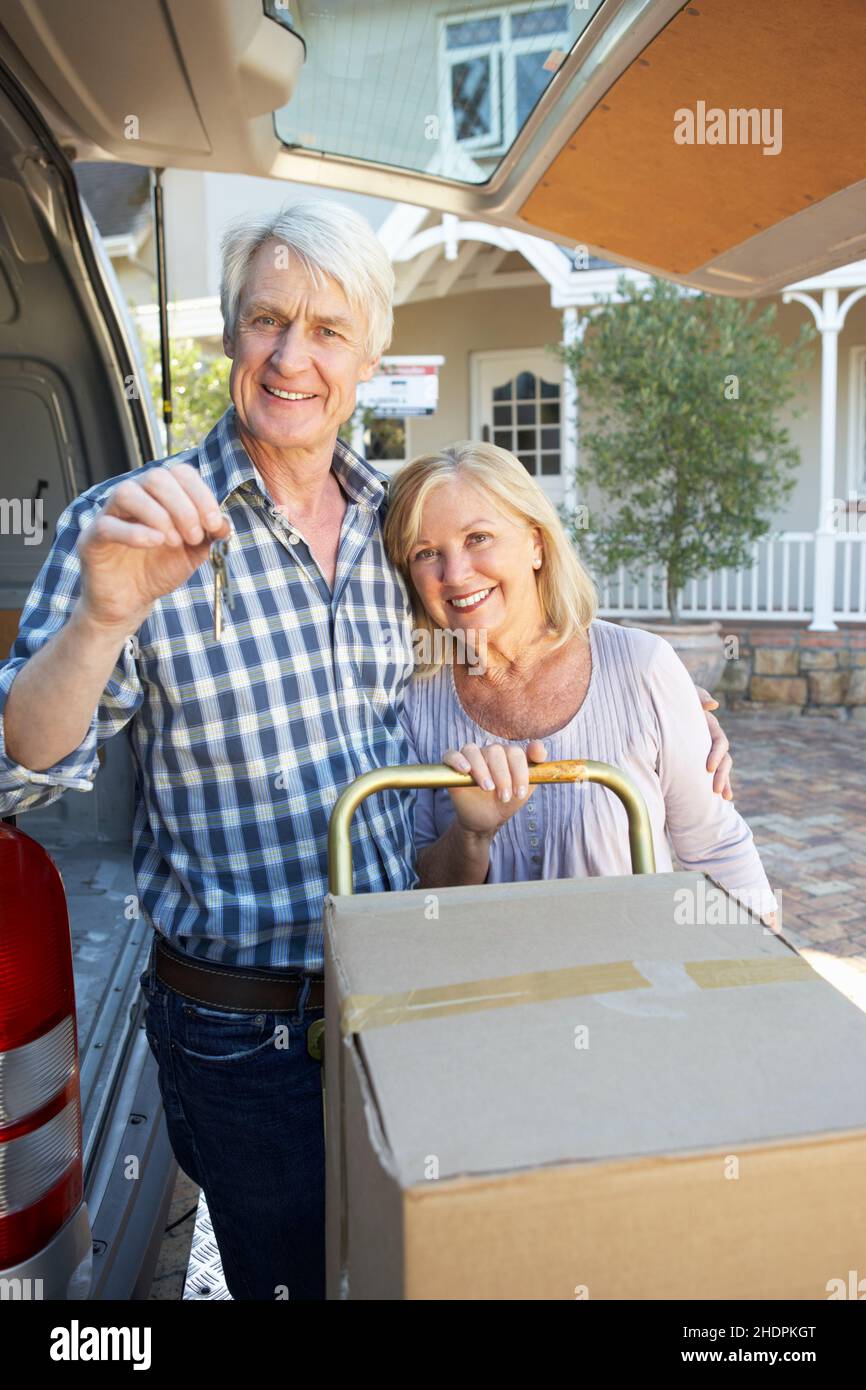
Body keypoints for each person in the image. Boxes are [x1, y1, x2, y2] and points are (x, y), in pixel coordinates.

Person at [0, 201, 735, 1302]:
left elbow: (504, 628)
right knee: (293, 1281)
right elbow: (19, 771)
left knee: (409, 1270)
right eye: (267, 322)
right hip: (247, 1030)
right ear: (231, 340)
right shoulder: (133, 524)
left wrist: (661, 701)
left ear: (369, 356)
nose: (293, 357)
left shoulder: (396, 530)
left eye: (327, 329)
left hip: (404, 992)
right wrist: (100, 623)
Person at [383, 441, 777, 927]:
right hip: (485, 994)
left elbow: (717, 851)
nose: (456, 574)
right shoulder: (415, 700)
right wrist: (471, 834)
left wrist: (758, 978)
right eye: (427, 553)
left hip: (635, 990)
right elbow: (420, 898)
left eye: (478, 538)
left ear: (536, 544)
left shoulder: (642, 666)